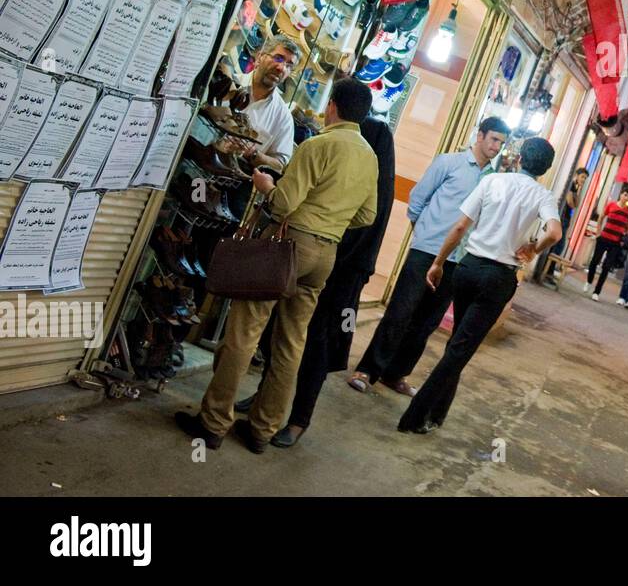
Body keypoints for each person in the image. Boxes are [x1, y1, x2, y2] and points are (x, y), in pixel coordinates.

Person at [175, 78, 379, 453]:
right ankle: (261, 430)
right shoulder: (369, 155)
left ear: (332, 105)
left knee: (245, 332)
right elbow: (366, 215)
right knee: (290, 344)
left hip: (288, 245)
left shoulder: (318, 145)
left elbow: (284, 203)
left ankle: (213, 422)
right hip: (325, 255)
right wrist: (329, 222)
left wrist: (265, 182)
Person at [236, 116, 396, 448]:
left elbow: (365, 222)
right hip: (326, 259)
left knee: (312, 345)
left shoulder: (366, 167)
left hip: (343, 275)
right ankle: (265, 408)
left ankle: (297, 420)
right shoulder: (362, 162)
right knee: (284, 337)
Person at [397, 137, 561, 433]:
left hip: (468, 268)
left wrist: (438, 262)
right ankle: (415, 416)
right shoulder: (543, 195)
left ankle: (437, 413)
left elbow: (460, 226)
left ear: (520, 158)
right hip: (498, 278)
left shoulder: (493, 181)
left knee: (457, 342)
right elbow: (554, 232)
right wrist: (533, 248)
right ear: (546, 168)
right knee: (460, 348)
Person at [350, 117, 510, 394]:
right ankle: (367, 370)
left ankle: (395, 374)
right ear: (480, 135)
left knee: (427, 322)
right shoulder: (449, 163)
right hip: (426, 251)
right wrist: (423, 234)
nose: (498, 147)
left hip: (458, 260)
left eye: (502, 143)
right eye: (494, 139)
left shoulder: (493, 181)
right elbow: (418, 199)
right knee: (401, 312)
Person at [239, 34, 300, 170]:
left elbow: (280, 163)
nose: (281, 68)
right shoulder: (232, 84)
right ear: (260, 57)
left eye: (289, 66)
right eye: (278, 58)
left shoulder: (283, 117)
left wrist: (254, 154)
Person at [584, 187, 628, 301]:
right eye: (625, 195)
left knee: (606, 267)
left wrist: (624, 236)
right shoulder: (611, 205)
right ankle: (589, 281)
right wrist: (598, 233)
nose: (626, 197)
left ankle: (597, 292)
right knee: (594, 262)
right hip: (603, 238)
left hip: (616, 243)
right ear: (621, 194)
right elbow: (601, 217)